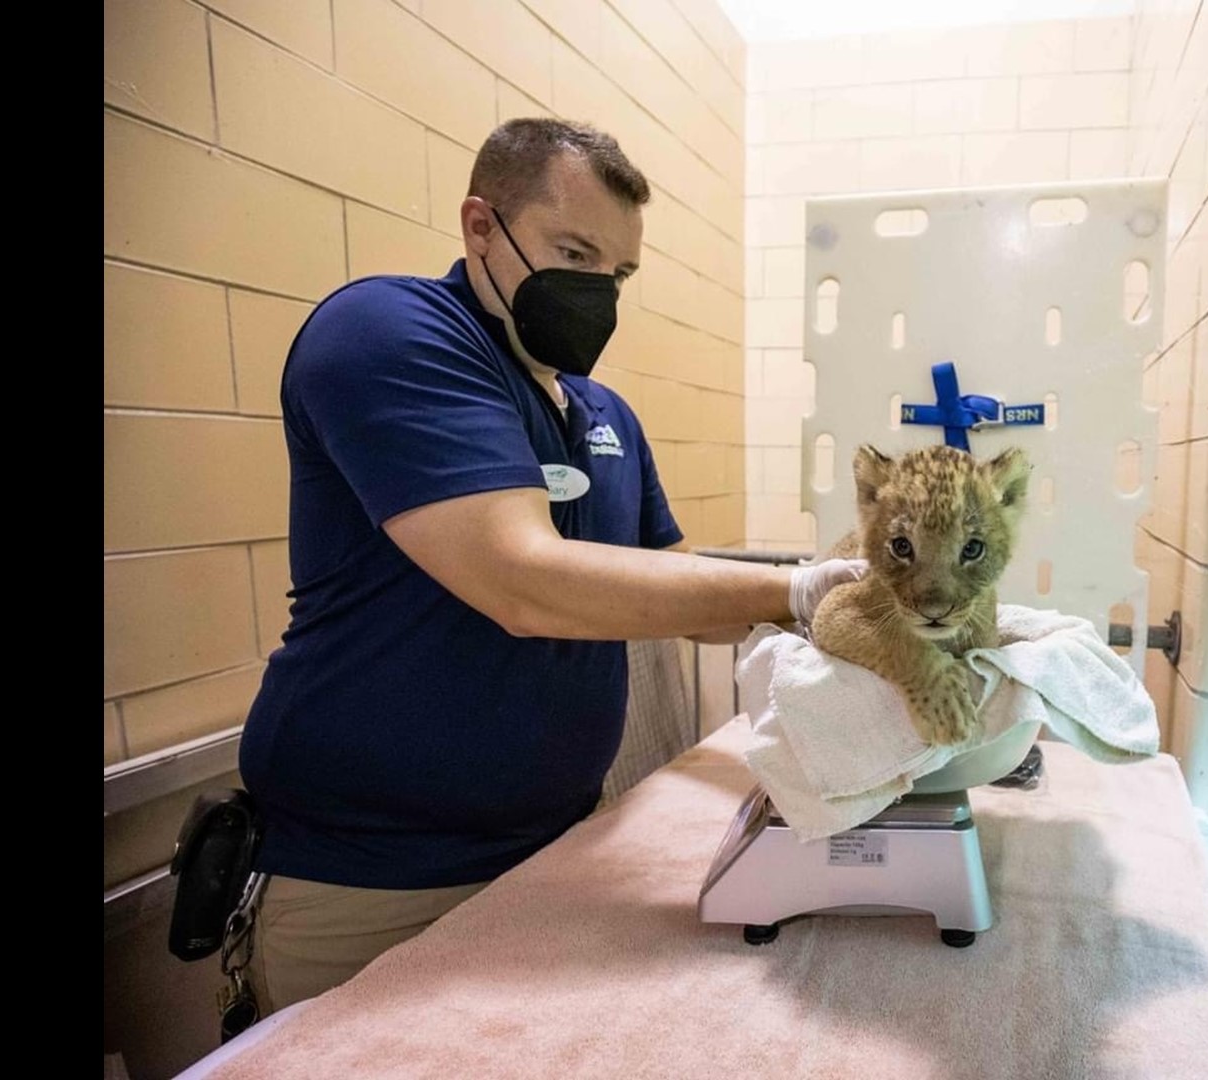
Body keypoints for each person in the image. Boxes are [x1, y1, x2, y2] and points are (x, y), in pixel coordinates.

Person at [235, 117, 862, 1013]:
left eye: (620, 273)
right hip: (374, 882)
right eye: (574, 251)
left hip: (561, 849)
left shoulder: (606, 413)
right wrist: (794, 589)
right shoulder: (388, 333)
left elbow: (682, 596)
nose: (597, 291)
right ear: (480, 226)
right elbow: (521, 582)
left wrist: (848, 603)